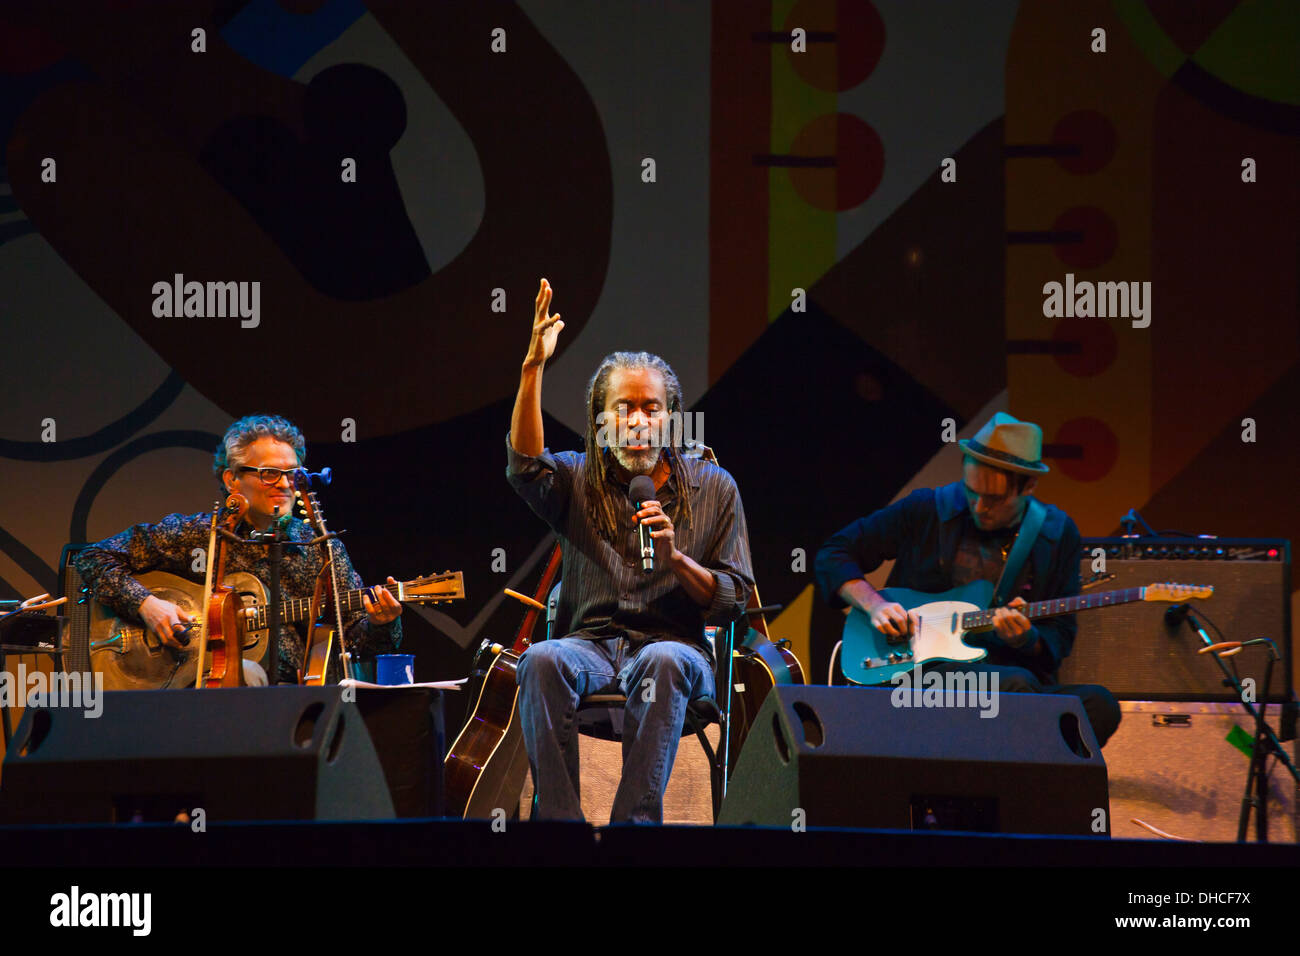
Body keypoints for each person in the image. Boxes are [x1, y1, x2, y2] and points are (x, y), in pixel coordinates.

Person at [508, 278, 754, 823]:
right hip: (590, 649)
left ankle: (632, 837)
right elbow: (525, 464)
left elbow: (734, 598)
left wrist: (677, 560)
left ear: (672, 417)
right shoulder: (576, 479)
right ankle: (560, 830)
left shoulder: (714, 488)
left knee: (663, 659)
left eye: (651, 408)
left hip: (675, 651)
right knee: (541, 658)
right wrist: (533, 368)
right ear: (602, 420)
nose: (638, 421)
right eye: (624, 408)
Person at [815, 412, 1120, 746]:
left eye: (994, 499)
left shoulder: (1057, 534)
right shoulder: (927, 509)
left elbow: (1059, 638)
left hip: (1008, 677)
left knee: (1099, 705)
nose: (979, 506)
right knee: (1016, 687)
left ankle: (1020, 766)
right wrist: (875, 605)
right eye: (971, 491)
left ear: (1029, 487)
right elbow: (834, 554)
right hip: (919, 676)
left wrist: (1025, 638)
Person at [75, 414, 402, 686]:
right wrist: (148, 606)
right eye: (270, 474)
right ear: (232, 479)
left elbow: (359, 643)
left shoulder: (321, 548)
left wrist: (382, 623)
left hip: (296, 696)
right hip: (203, 686)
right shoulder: (201, 535)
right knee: (244, 673)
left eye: (293, 474)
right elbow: (92, 557)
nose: (285, 484)